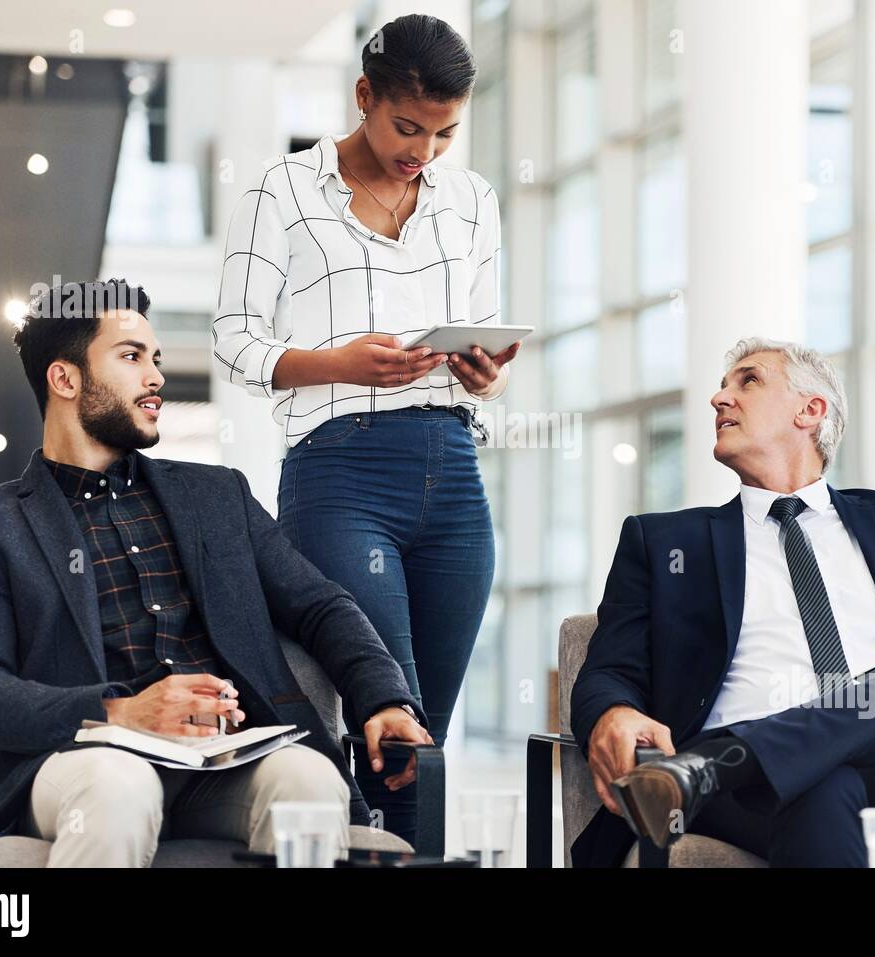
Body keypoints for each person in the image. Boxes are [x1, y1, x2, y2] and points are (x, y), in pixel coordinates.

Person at [0, 279, 431, 867]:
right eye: (131, 357)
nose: (155, 378)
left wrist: (385, 700)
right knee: (119, 788)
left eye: (156, 359)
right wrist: (120, 711)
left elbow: (320, 606)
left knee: (308, 780)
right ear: (64, 379)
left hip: (228, 758)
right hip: (83, 763)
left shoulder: (217, 495)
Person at [213, 14, 515, 845]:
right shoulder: (281, 191)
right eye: (407, 127)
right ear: (363, 96)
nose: (425, 150)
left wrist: (486, 374)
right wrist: (338, 363)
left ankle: (371, 849)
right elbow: (233, 341)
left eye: (445, 133)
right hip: (340, 477)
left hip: (454, 474)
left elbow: (486, 341)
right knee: (394, 719)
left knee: (427, 739)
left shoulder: (472, 201)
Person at [571, 337, 875, 867]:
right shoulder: (664, 542)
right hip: (748, 797)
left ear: (810, 410)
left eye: (748, 381)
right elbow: (608, 670)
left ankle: (724, 759)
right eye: (722, 387)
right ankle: (745, 762)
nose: (719, 399)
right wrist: (613, 712)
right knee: (819, 784)